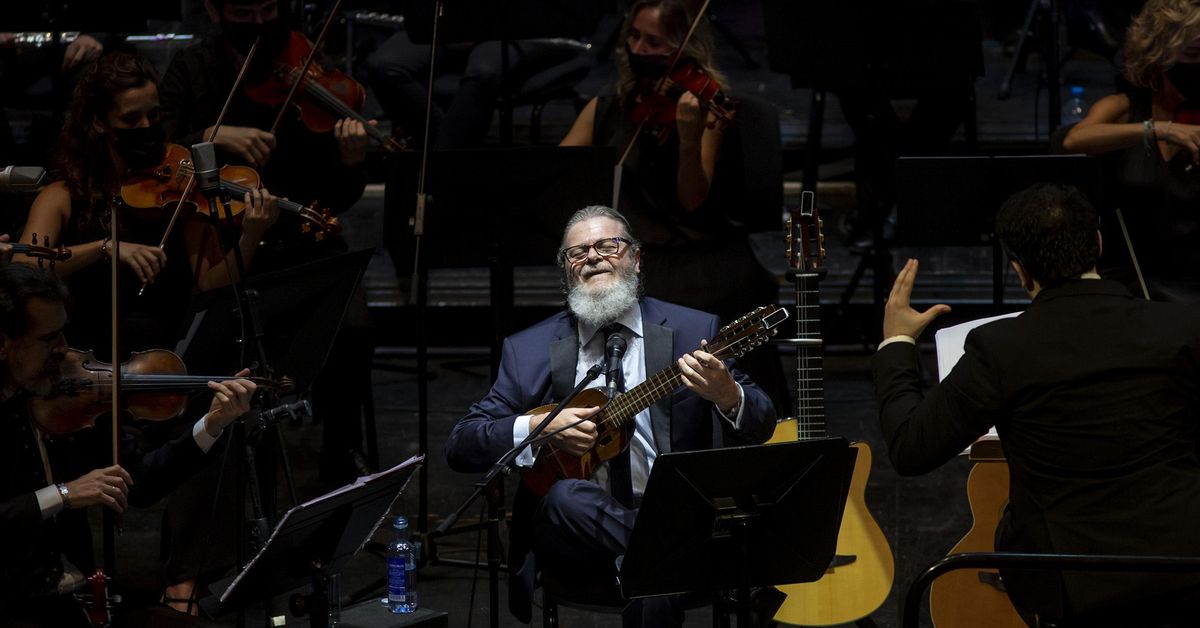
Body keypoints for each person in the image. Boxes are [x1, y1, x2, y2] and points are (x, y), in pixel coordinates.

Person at [872, 183, 1200, 626]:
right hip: (1184, 567)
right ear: (1098, 243)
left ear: (1019, 270)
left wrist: (897, 341)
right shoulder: (1182, 326)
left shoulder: (1001, 348)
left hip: (1070, 583)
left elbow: (911, 448)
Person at [444, 205, 776, 626]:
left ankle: (650, 559)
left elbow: (762, 422)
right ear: (566, 271)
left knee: (654, 587)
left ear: (636, 259)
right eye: (577, 253)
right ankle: (683, 558)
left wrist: (729, 394)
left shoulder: (694, 332)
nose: (593, 257)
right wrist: (538, 429)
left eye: (608, 245)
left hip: (671, 510)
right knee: (565, 496)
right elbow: (461, 443)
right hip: (577, 527)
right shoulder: (527, 349)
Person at [0, 263, 257, 627]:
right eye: (48, 339)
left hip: (79, 600)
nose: (63, 350)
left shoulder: (62, 403)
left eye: (63, 334)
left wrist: (212, 424)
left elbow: (142, 482)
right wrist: (63, 493)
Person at [559, 0, 786, 410]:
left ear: (685, 46)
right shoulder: (612, 105)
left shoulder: (706, 106)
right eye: (634, 36)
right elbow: (559, 173)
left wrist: (686, 138)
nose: (639, 49)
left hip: (698, 251)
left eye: (655, 42)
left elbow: (692, 198)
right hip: (640, 251)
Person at [18, 51, 280, 358]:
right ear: (100, 123)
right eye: (131, 119)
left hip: (166, 355)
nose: (146, 126)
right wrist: (105, 248)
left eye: (153, 116)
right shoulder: (64, 195)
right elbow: (24, 266)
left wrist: (249, 236)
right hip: (86, 359)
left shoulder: (178, 192)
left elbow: (211, 283)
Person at [1061, 0, 1200, 301]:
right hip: (1132, 288)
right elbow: (1075, 139)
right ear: (1160, 56)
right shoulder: (1125, 107)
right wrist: (1161, 129)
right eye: (1193, 55)